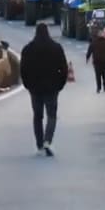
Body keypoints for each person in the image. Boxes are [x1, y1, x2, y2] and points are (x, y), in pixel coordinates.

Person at [20, 23, 69, 156]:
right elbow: (64, 68)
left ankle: (40, 145)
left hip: (35, 88)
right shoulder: (56, 48)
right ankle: (48, 140)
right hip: (52, 87)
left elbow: (23, 69)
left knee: (37, 117)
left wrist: (28, 85)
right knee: (51, 115)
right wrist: (60, 84)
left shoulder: (28, 49)